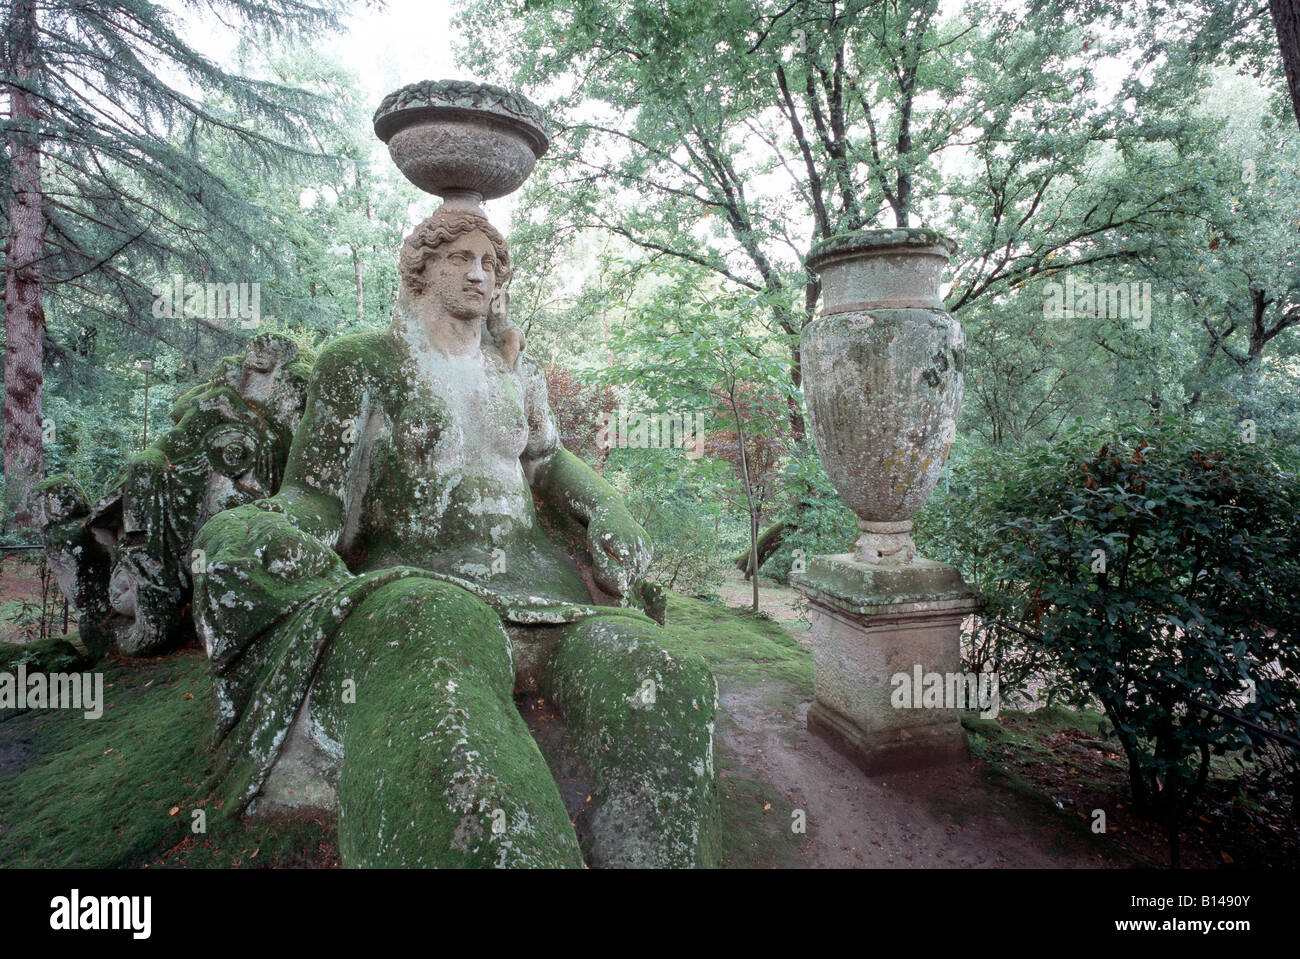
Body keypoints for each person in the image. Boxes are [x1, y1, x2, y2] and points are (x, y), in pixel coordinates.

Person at [193, 209, 717, 868]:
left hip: (545, 592)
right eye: (459, 258)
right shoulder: (361, 363)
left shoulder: (514, 372)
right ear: (420, 267)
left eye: (491, 264)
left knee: (661, 670)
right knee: (440, 668)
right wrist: (271, 524)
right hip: (425, 585)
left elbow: (548, 462)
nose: (479, 274)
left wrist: (606, 508)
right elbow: (316, 495)